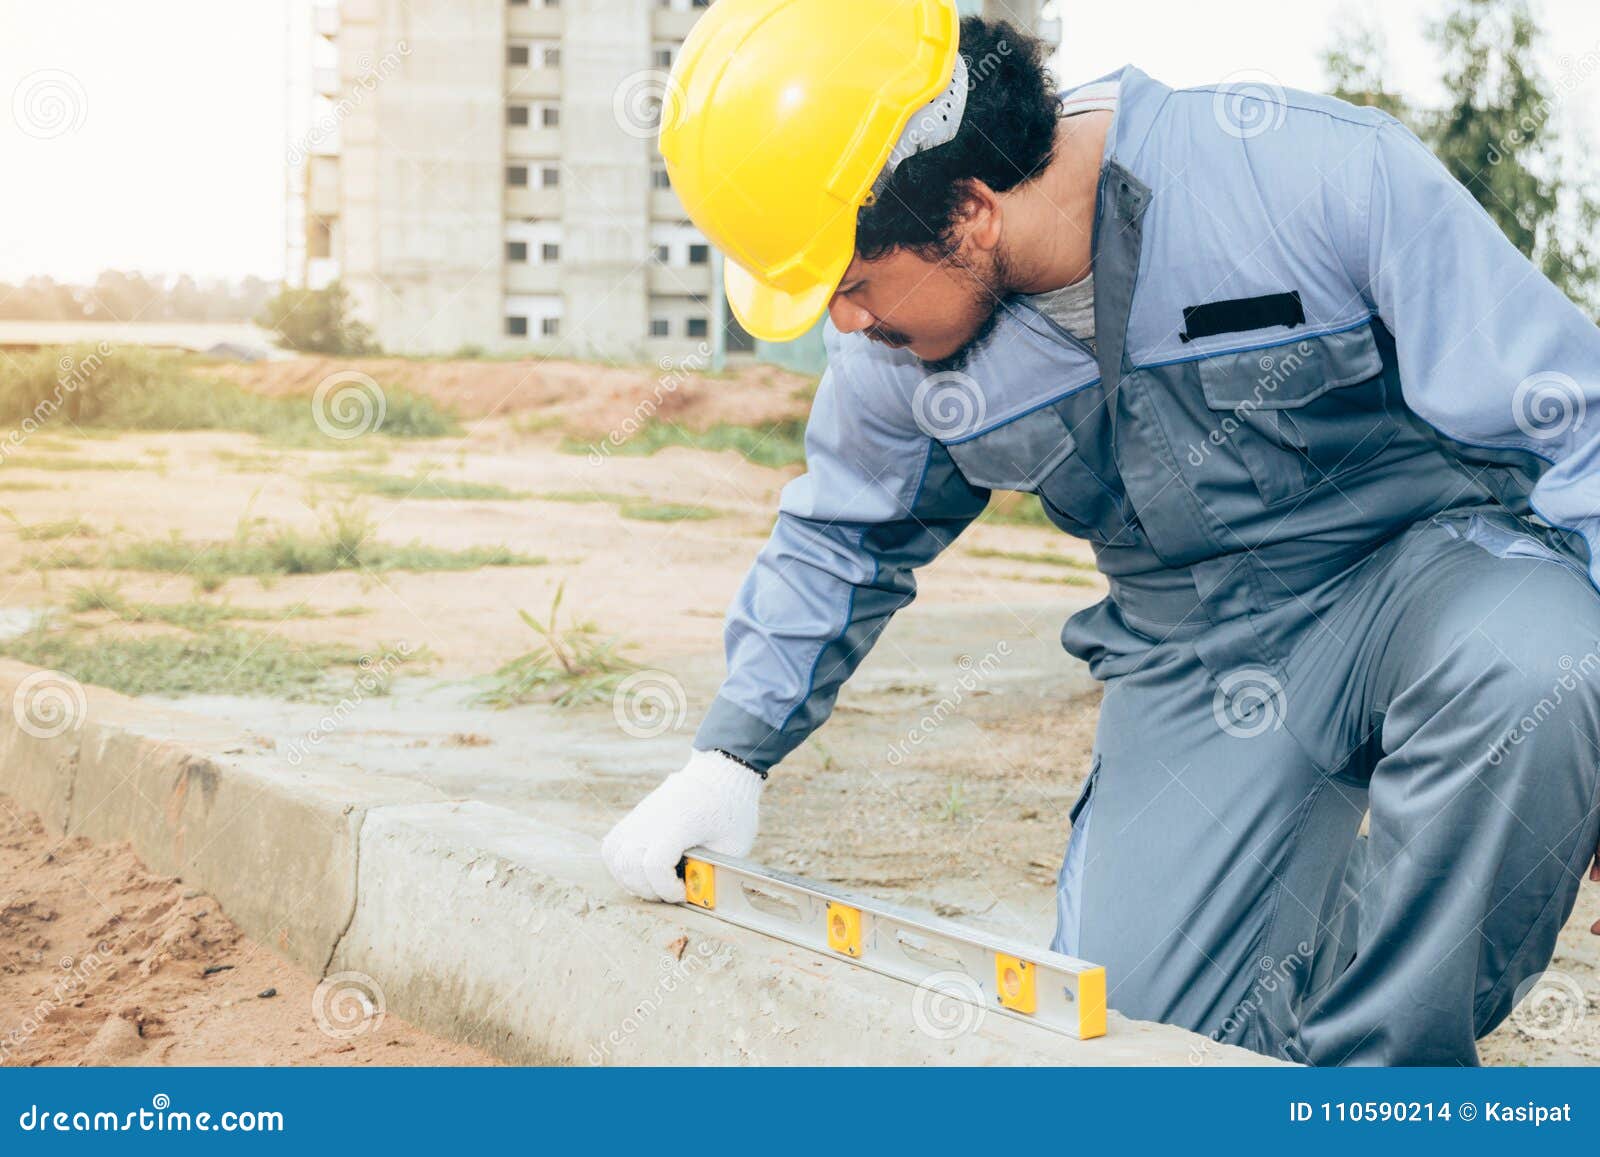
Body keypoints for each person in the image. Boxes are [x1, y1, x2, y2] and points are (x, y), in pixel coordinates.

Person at [602, 0, 1600, 1065]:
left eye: (850, 285)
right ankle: (1306, 967)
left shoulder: (1316, 180)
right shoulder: (895, 360)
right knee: (1133, 1050)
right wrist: (728, 757)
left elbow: (1573, 420)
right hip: (1196, 648)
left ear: (968, 212)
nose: (845, 323)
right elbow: (845, 538)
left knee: (1545, 664)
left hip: (1433, 578)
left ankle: (1380, 1079)